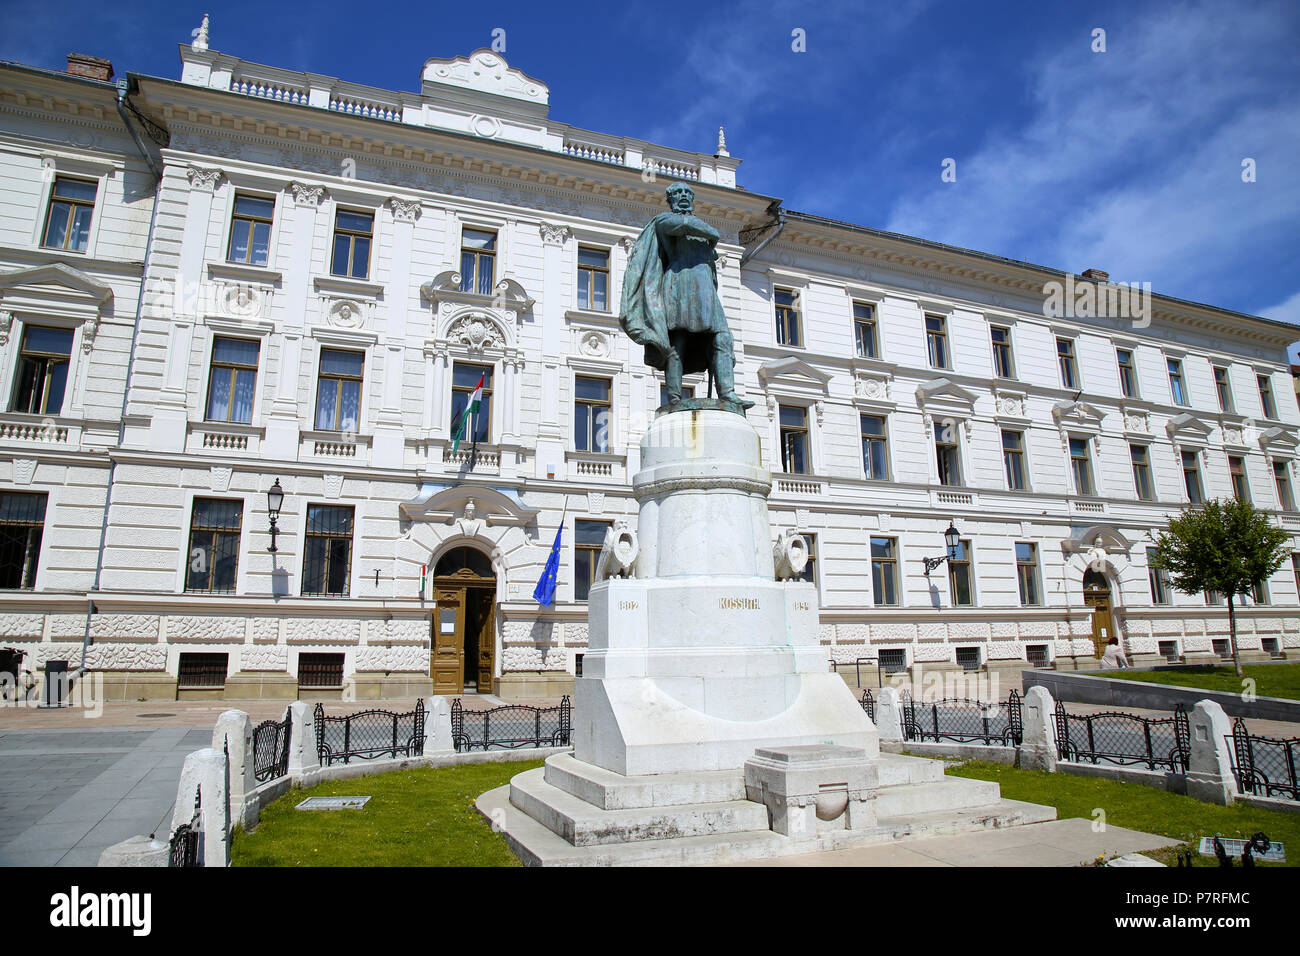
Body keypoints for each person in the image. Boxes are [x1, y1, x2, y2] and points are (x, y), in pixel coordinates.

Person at [619, 182, 753, 409]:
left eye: (687, 193)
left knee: (722, 339)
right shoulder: (664, 221)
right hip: (678, 287)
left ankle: (728, 393)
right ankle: (673, 398)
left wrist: (711, 237)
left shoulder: (700, 236)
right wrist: (712, 233)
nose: (683, 196)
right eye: (677, 193)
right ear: (670, 200)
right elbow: (686, 225)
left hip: (706, 294)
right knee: (677, 342)